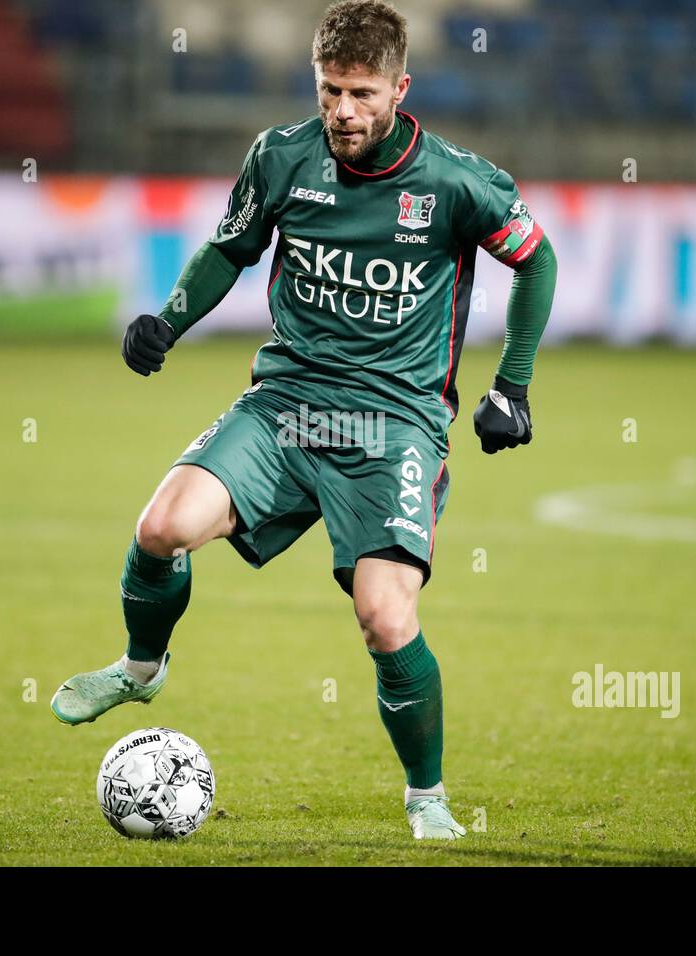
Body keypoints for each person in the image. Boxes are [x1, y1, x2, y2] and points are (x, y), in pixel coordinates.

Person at [52, 0, 557, 839]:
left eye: (362, 94)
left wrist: (515, 386)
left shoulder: (457, 183)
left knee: (385, 617)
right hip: (286, 405)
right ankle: (141, 669)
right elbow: (230, 247)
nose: (343, 112)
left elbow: (536, 261)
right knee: (161, 529)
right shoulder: (282, 157)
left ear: (400, 89)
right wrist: (168, 322)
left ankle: (426, 797)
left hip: (393, 425)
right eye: (329, 91)